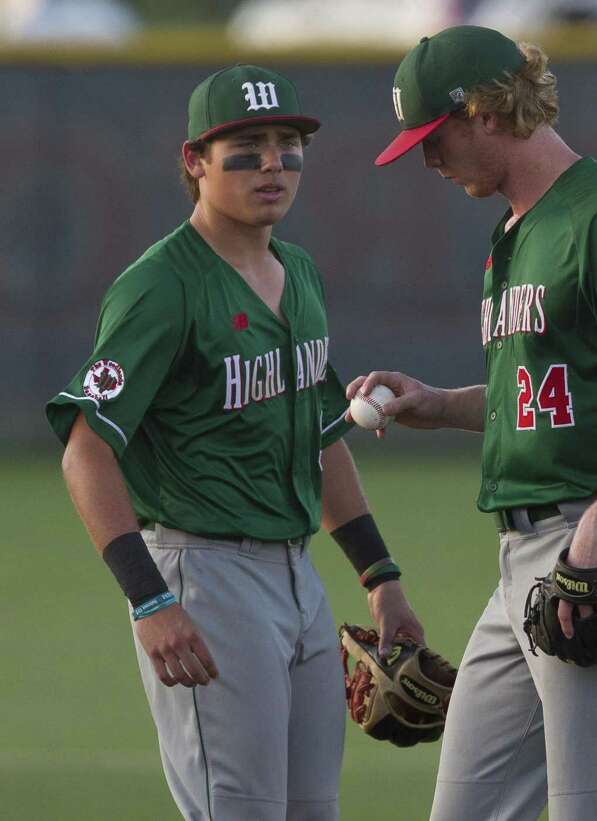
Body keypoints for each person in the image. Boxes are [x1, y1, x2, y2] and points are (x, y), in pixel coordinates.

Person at [46, 65, 423, 821]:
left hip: (298, 578)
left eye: (288, 145)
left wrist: (379, 575)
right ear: (195, 162)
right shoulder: (161, 286)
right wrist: (149, 596)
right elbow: (86, 446)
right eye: (246, 148)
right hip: (203, 572)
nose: (274, 164)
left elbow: (323, 436)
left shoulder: (301, 272)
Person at [358, 25, 597, 820]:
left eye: (433, 136)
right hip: (522, 560)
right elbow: (547, 394)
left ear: (486, 111)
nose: (428, 159)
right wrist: (439, 404)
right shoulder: (514, 228)